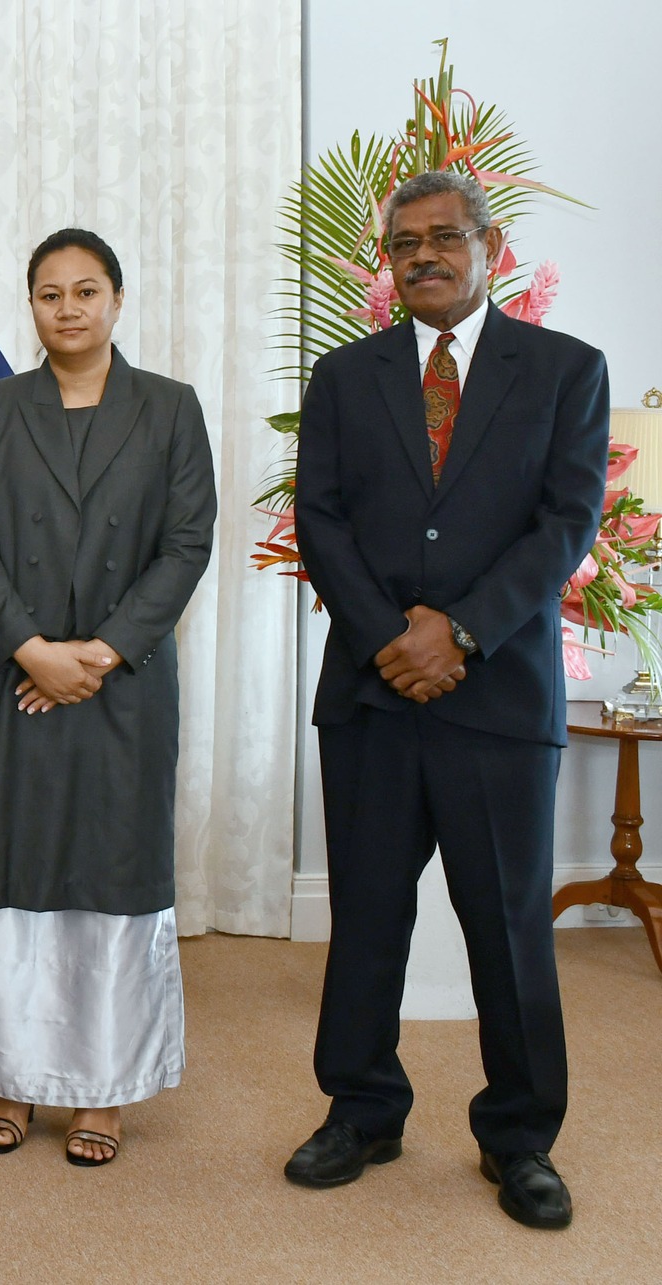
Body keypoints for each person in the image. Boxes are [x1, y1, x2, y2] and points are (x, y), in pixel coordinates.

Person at [287, 170, 607, 1230]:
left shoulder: (563, 370)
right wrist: (391, 638)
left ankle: (517, 1138)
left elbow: (563, 524)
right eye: (401, 242)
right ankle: (361, 1109)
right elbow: (320, 518)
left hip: (498, 698)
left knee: (506, 926)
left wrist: (457, 628)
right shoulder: (344, 375)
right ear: (385, 260)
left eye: (441, 237)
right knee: (368, 914)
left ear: (488, 244)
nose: (421, 255)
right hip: (373, 696)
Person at [0, 229, 215, 1167]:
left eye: (86, 290)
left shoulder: (172, 409)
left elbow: (187, 544)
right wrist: (31, 649)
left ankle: (102, 1091)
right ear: (33, 307)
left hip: (120, 688)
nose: (68, 308)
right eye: (49, 293)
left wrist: (93, 655)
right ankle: (7, 1076)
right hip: (9, 679)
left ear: (118, 301)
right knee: (10, 879)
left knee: (107, 881)